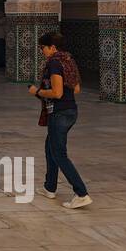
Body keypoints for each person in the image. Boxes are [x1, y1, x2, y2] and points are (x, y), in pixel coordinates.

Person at [29, 31, 90, 209]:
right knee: (50, 147)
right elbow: (76, 88)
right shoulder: (68, 60)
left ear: (52, 47)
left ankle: (81, 193)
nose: (42, 51)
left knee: (59, 154)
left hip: (60, 113)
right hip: (71, 111)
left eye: (43, 48)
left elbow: (57, 93)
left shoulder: (55, 63)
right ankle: (50, 187)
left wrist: (37, 92)